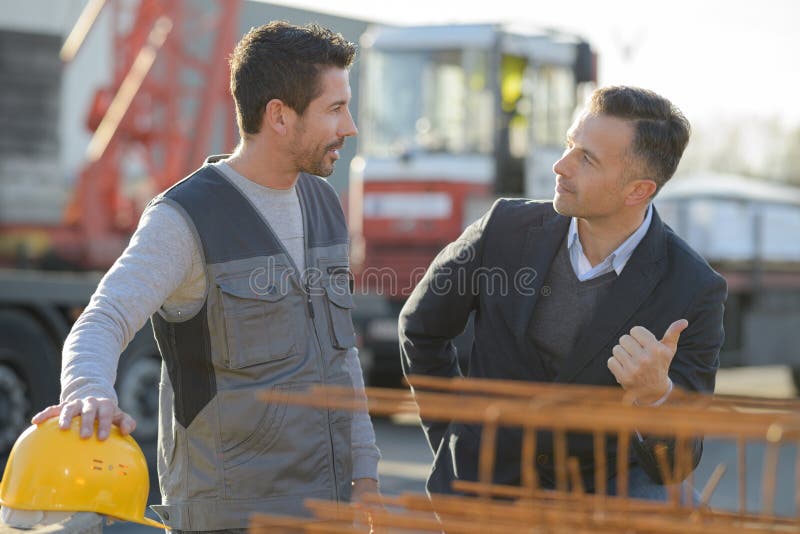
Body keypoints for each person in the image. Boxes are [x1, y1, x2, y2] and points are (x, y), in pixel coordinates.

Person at [31, 21, 380, 531]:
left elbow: (341, 358)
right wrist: (89, 390)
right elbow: (103, 317)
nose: (349, 127)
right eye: (334, 109)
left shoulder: (325, 204)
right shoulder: (185, 218)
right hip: (230, 518)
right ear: (279, 116)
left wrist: (366, 477)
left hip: (326, 513)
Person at [398, 86, 727, 499]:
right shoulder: (502, 228)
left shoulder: (694, 289)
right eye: (570, 145)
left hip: (599, 508)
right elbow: (421, 328)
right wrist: (453, 435)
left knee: (688, 509)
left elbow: (676, 464)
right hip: (481, 493)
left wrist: (655, 398)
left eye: (586, 158)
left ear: (638, 191)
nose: (560, 165)